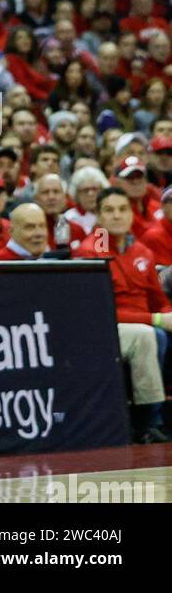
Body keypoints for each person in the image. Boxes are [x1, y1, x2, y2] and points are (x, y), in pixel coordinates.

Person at [78, 186, 172, 442]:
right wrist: (156, 319)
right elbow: (100, 310)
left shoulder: (142, 251)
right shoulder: (91, 252)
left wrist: (167, 314)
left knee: (159, 333)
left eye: (122, 209)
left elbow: (158, 300)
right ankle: (150, 421)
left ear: (131, 214)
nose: (117, 216)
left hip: (147, 324)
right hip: (109, 328)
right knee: (153, 336)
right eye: (109, 210)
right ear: (98, 216)